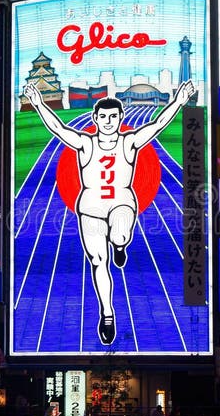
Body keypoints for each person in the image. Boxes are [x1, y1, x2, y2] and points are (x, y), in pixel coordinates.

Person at [24, 78, 196, 345]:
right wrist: (38, 103)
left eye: (113, 116)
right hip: (90, 208)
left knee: (119, 235)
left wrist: (180, 101)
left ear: (120, 118)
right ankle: (107, 313)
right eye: (103, 116)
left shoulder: (129, 142)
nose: (107, 121)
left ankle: (120, 245)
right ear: (95, 117)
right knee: (97, 262)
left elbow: (158, 124)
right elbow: (57, 128)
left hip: (122, 202)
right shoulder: (85, 143)